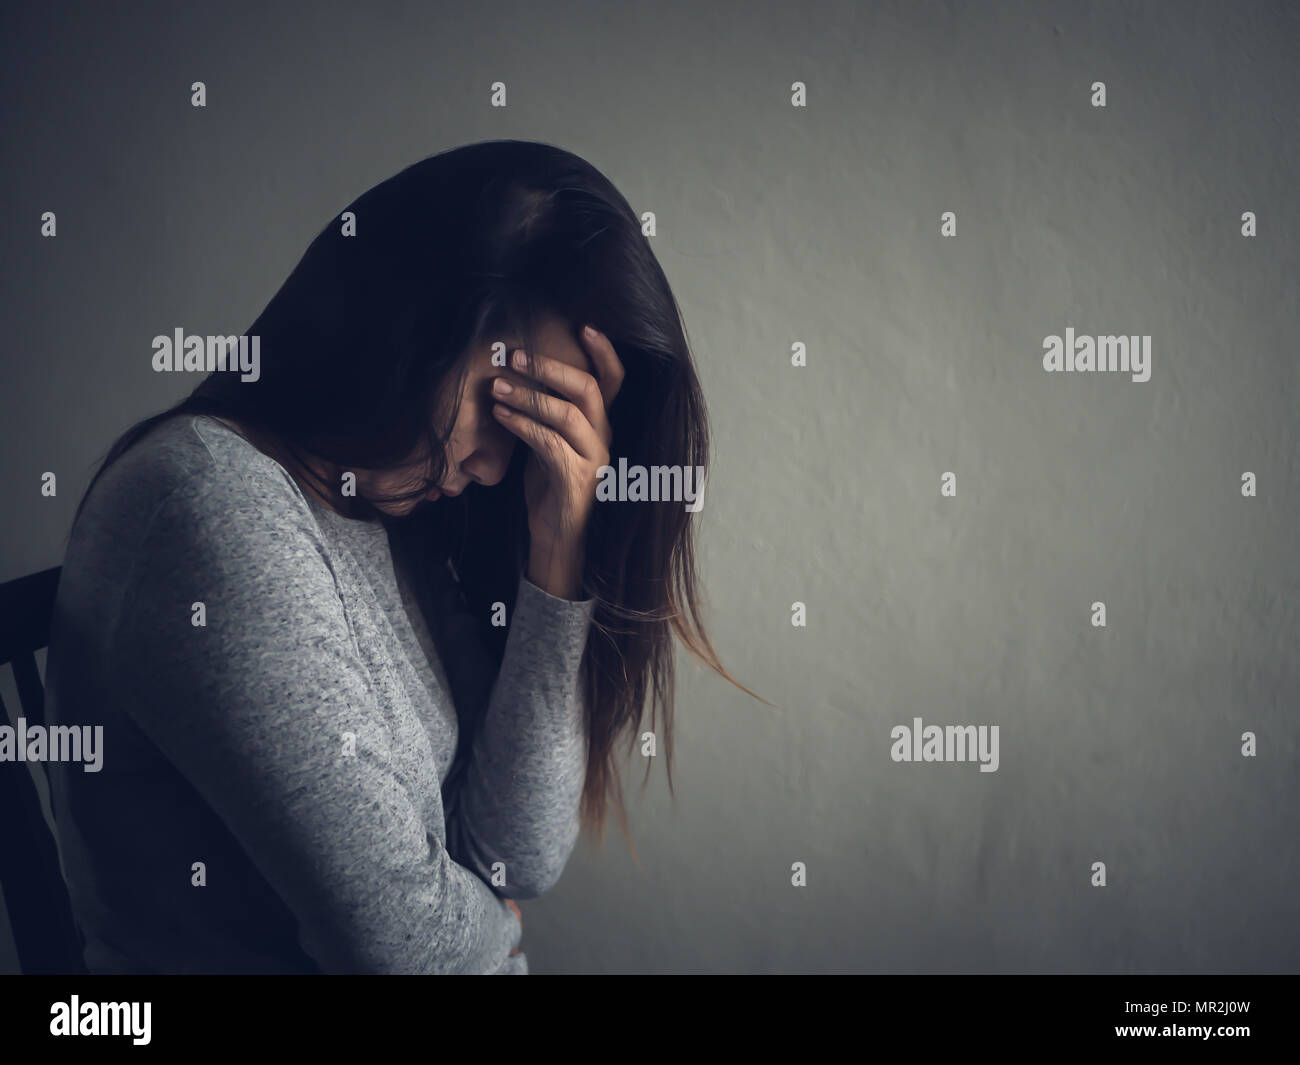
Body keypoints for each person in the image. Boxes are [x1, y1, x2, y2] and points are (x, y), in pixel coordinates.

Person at [43, 139, 756, 974]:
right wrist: (500, 931)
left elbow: (512, 855)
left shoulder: (385, 519)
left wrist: (558, 549)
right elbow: (411, 950)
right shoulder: (209, 509)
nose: (499, 467)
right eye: (509, 409)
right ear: (415, 319)